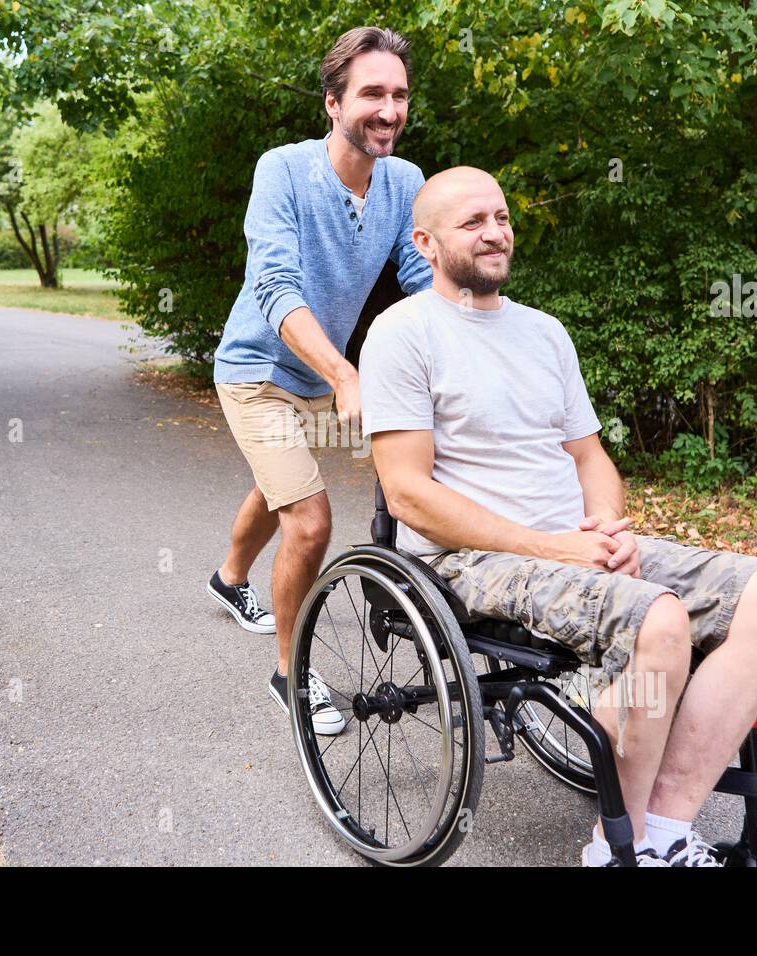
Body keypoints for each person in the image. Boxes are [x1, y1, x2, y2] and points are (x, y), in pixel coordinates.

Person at [359, 166, 757, 866]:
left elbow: (590, 457)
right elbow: (409, 494)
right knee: (658, 620)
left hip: (570, 543)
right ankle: (615, 848)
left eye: (501, 217)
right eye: (473, 222)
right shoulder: (401, 334)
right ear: (426, 241)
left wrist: (609, 530)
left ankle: (662, 827)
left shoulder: (544, 333)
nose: (495, 232)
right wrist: (554, 548)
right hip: (467, 557)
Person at [208, 27, 432, 735]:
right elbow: (273, 285)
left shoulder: (406, 183)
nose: (388, 109)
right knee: (309, 519)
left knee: (279, 481)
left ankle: (228, 579)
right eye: (372, 93)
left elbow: (424, 283)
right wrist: (345, 372)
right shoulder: (283, 170)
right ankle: (289, 673)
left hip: (320, 375)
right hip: (259, 368)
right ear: (333, 103)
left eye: (398, 94)